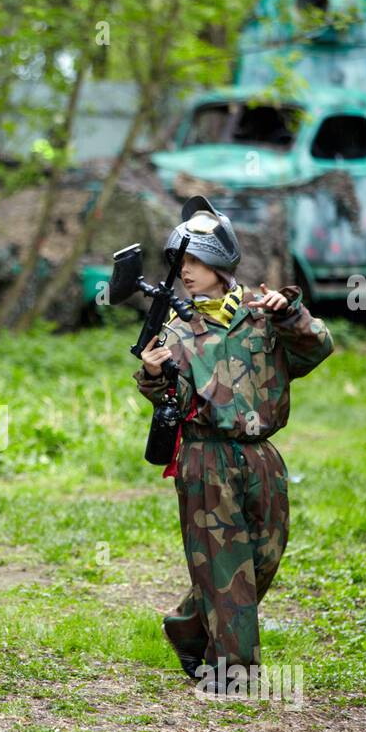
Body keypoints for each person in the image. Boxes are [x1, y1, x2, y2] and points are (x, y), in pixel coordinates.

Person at [134, 195, 334, 694]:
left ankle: (187, 624)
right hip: (205, 457)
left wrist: (290, 313)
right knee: (225, 567)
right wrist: (154, 375)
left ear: (222, 262)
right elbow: (169, 400)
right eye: (182, 263)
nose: (187, 272)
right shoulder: (175, 330)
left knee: (263, 557)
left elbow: (317, 349)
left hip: (262, 454)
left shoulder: (262, 313)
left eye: (197, 261)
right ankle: (234, 675)